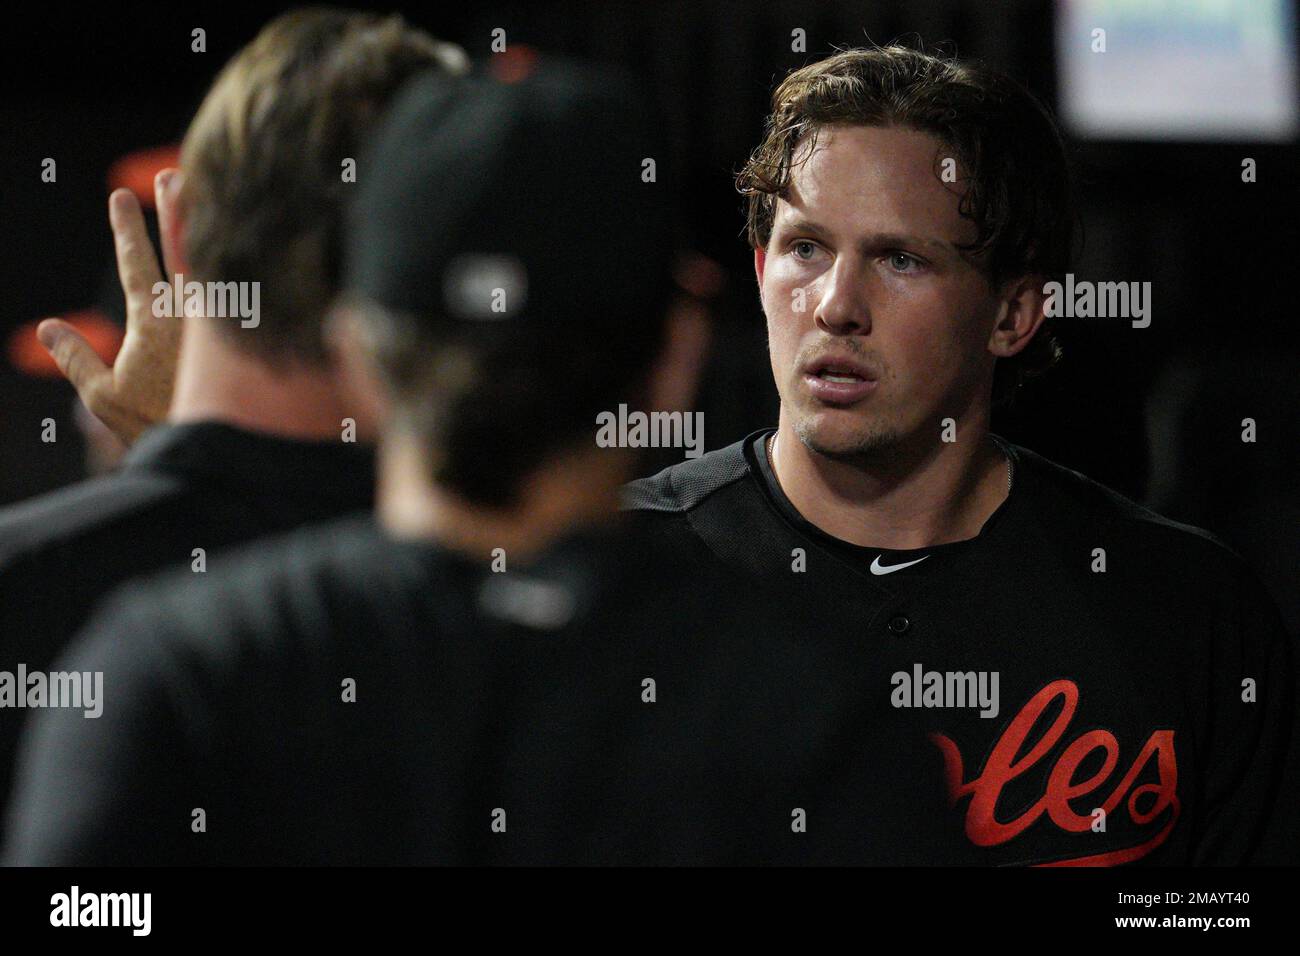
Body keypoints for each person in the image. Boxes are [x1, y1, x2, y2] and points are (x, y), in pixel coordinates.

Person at [623, 45, 1298, 865]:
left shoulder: (1188, 617)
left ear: (1014, 314)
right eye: (805, 249)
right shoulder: (617, 576)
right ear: (761, 269)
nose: (835, 306)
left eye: (900, 259)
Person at [0, 9, 467, 823]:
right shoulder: (545, 609)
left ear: (177, 233)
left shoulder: (33, 586)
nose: (82, 419)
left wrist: (178, 463)